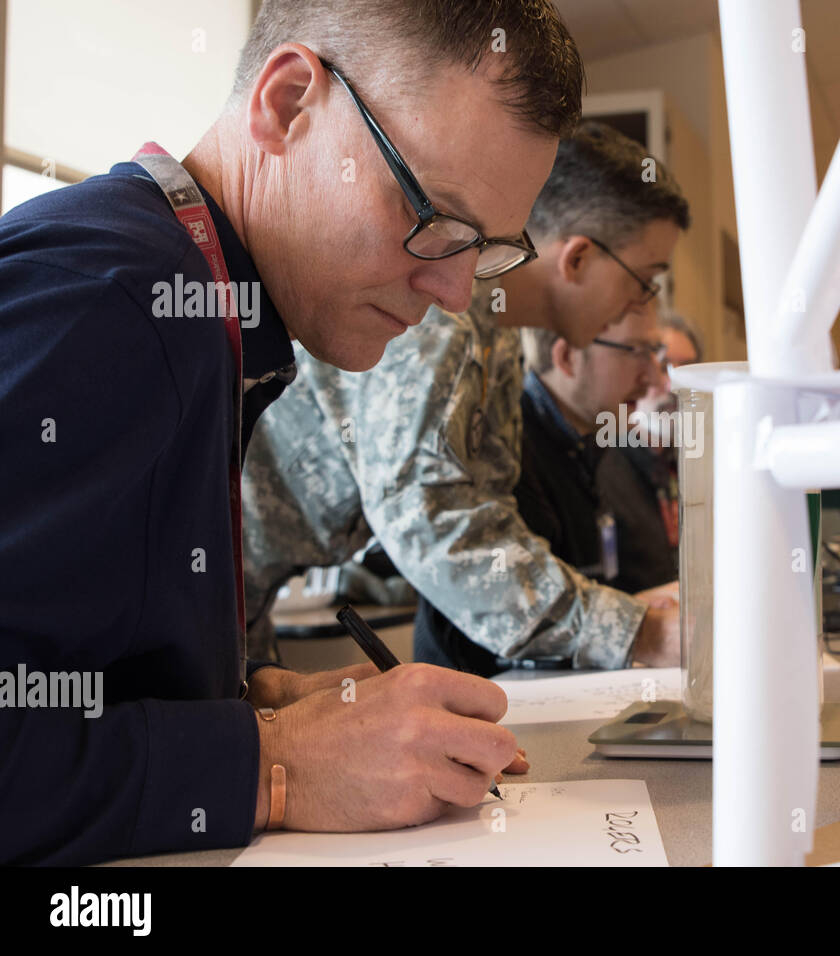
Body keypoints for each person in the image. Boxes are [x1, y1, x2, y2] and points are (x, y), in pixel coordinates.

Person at [0, 0, 583, 865]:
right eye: (432, 217)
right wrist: (276, 764)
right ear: (286, 104)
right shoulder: (117, 304)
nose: (456, 293)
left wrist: (242, 709)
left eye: (485, 247)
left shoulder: (207, 309)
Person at [240, 121, 691, 679]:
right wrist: (646, 633)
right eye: (646, 279)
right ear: (576, 259)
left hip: (240, 594)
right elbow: (442, 533)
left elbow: (486, 520)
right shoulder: (445, 321)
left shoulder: (493, 333)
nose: (643, 302)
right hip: (193, 585)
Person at [515, 302, 668, 591]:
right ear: (567, 357)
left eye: (655, 353)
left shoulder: (588, 444)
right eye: (636, 351)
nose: (655, 379)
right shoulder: (507, 456)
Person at [594, 312, 704, 591]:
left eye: (688, 369)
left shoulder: (696, 465)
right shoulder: (599, 465)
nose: (675, 386)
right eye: (665, 365)